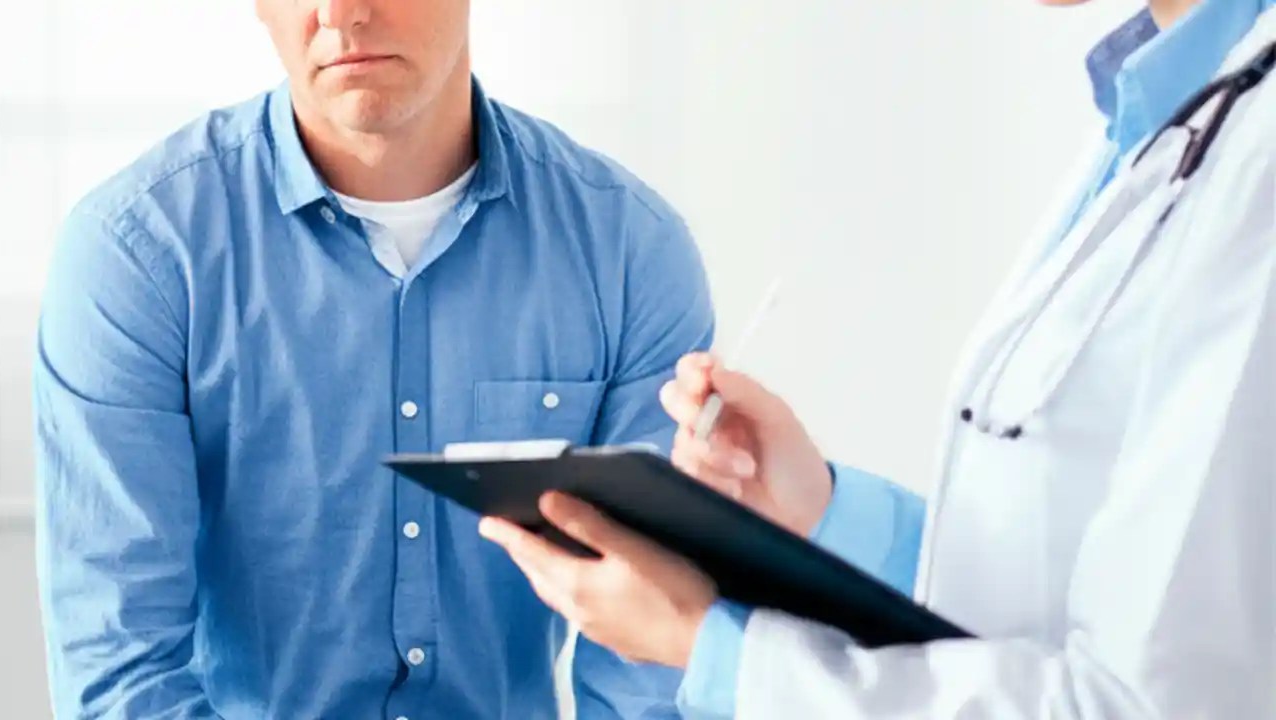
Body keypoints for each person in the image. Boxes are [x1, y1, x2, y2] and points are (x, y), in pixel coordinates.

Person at [479, 0, 1276, 717]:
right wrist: (822, 514)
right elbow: (1039, 591)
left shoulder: (1257, 166)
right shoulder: (1164, 114)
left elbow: (1153, 702)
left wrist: (711, 648)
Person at [33, 0, 712, 718]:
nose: (340, 14)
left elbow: (652, 666)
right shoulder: (138, 254)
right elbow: (123, 672)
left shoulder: (628, 250)